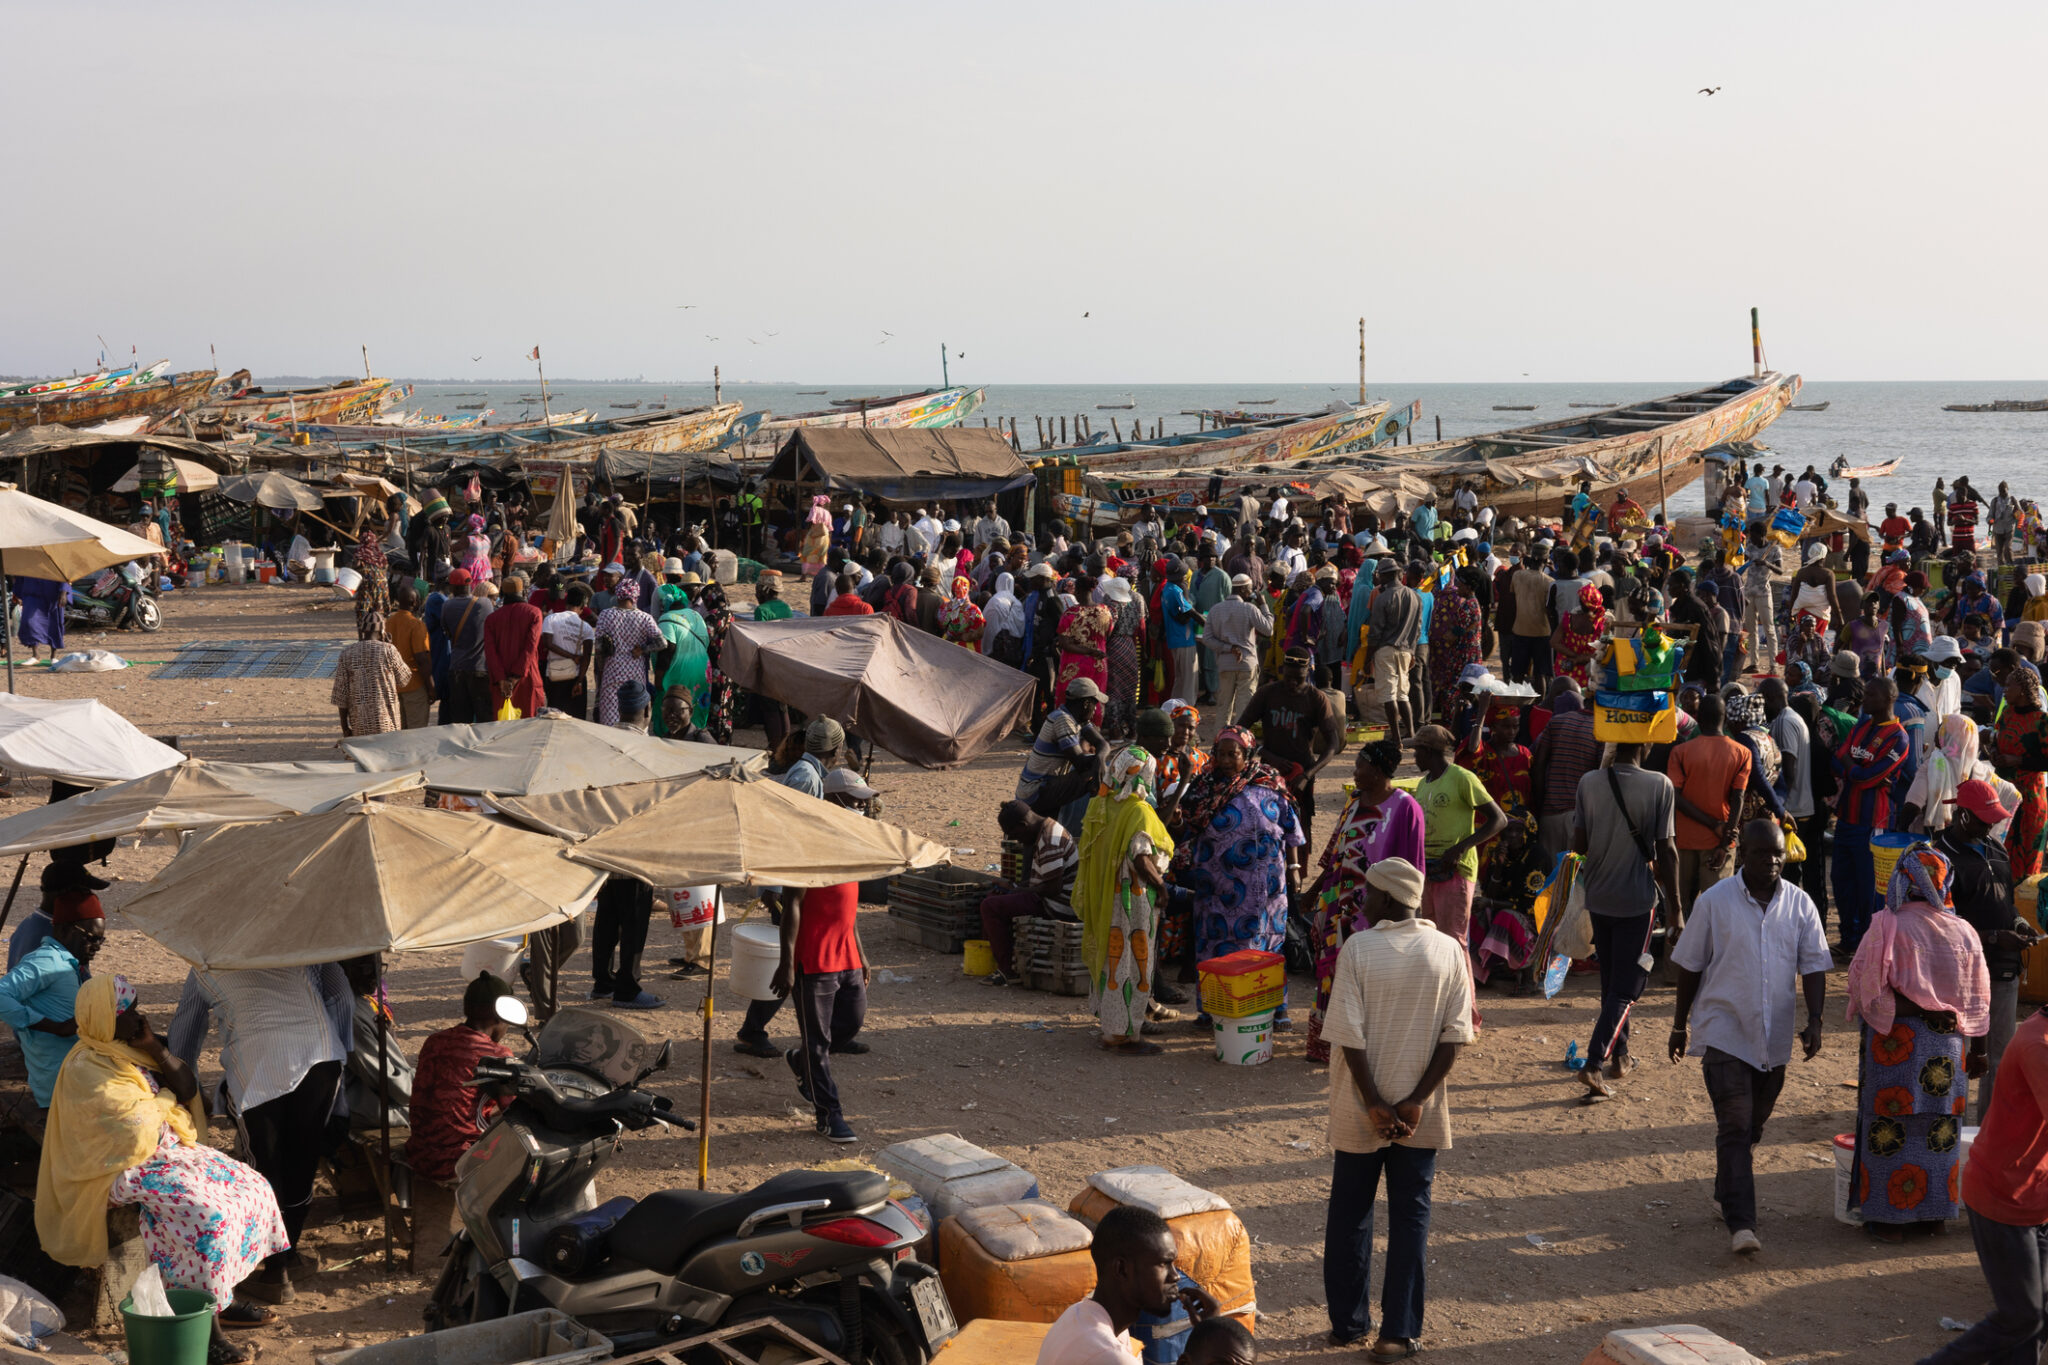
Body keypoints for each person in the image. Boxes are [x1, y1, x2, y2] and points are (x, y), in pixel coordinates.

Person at [38, 975, 287, 1362]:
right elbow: (131, 1132)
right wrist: (166, 1103)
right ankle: (207, 1332)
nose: (139, 1018)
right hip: (115, 1169)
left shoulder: (132, 1052)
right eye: (128, 1011)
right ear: (104, 1018)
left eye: (137, 1007)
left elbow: (188, 1089)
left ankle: (218, 1300)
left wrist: (155, 1047)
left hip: (164, 1152)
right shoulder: (86, 1066)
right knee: (205, 1214)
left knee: (252, 1187)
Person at [1320, 856, 1472, 1359]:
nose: (1364, 901)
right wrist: (1415, 1101)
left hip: (1361, 1112)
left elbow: (1348, 1036)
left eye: (1370, 893)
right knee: (1411, 1219)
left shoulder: (1360, 950)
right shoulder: (1450, 951)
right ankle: (1398, 1332)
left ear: (1387, 898)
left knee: (1350, 1217)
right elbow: (1455, 1037)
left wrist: (1374, 1103)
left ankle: (1348, 1325)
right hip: (1418, 1120)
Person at [1669, 819, 1832, 1255]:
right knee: (1736, 1123)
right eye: (1763, 854)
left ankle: (1728, 1184)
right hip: (1723, 1029)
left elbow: (1814, 964)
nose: (1773, 862)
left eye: (1779, 854)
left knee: (1752, 1126)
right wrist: (1679, 1023)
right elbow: (1690, 965)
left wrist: (1815, 1019)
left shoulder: (1800, 905)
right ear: (1744, 855)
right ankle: (1742, 1224)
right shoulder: (1714, 902)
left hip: (1773, 1038)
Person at [170, 963, 350, 1302]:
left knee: (264, 1168)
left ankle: (275, 1270)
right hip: (320, 1054)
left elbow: (187, 1026)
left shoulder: (204, 958)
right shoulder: (301, 939)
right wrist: (341, 1048)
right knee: (302, 1157)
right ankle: (288, 1255)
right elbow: (340, 995)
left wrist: (185, 1084)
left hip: (257, 1063)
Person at [1845, 845, 1990, 1238]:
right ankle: (1932, 1217)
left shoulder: (1886, 924)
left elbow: (1867, 992)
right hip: (1947, 1053)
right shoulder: (1963, 931)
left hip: (1895, 1046)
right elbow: (1977, 1000)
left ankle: (1887, 1220)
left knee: (1887, 1127)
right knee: (1939, 1129)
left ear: (1903, 880)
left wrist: (1920, 1009)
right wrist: (1979, 1051)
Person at [1922, 1003, 2048, 1365]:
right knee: (2021, 1317)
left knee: (2035, 1317)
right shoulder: (2037, 1044)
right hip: (2004, 1196)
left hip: (2035, 1193)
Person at [1304, 741, 1427, 1064]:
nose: (1354, 772)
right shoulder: (1354, 802)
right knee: (1332, 971)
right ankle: (1328, 1045)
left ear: (1377, 769)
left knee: (1370, 978)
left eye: (1358, 766)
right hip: (1338, 906)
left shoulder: (1405, 807)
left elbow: (1412, 869)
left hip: (1377, 910)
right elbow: (1336, 855)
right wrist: (1313, 893)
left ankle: (1364, 1048)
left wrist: (1408, 918)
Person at [1169, 727, 1303, 1020]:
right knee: (1215, 949)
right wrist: (1179, 822)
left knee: (1267, 947)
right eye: (1222, 754)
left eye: (1234, 754)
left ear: (1248, 755)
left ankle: (1273, 1010)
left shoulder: (1270, 784)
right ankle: (1214, 1011)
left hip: (1266, 888)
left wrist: (1294, 867)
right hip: (1218, 889)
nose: (1227, 760)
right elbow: (1184, 834)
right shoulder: (1204, 788)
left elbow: (1291, 828)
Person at [1573, 741, 1679, 1100]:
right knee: (1627, 988)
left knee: (1611, 983)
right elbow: (1667, 850)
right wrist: (1677, 908)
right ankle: (1593, 1062)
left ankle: (1620, 1056)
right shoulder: (1659, 784)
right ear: (1646, 742)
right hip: (1636, 900)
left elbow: (1580, 844)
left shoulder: (1589, 781)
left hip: (1599, 897)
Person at [1075, 747, 1174, 1056]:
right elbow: (1141, 858)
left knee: (1109, 957)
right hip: (1132, 900)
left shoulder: (1099, 806)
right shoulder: (1138, 811)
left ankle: (1112, 1024)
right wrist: (1162, 886)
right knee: (1130, 964)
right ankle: (1122, 1035)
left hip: (1104, 896)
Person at [1410, 725, 1509, 1006]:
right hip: (1429, 870)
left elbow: (1498, 819)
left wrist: (1461, 847)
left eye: (1417, 751)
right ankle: (1440, 1008)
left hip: (1456, 871)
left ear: (1428, 752)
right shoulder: (1423, 784)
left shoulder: (1462, 778)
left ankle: (1466, 1014)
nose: (1414, 757)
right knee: (1431, 940)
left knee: (1453, 942)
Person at [1036, 1206, 1206, 1365]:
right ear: (1122, 1269)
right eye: (1163, 1264)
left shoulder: (1077, 1314)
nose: (1175, 1276)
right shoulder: (1110, 1355)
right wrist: (1210, 1335)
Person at [772, 872, 869, 1144]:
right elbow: (790, 905)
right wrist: (787, 963)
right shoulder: (806, 857)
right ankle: (828, 1116)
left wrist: (860, 955)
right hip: (813, 959)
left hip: (847, 956)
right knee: (817, 1042)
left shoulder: (850, 858)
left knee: (852, 1021)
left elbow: (850, 911)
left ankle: (800, 1061)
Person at [1237, 647, 1347, 877]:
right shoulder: (1267, 693)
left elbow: (1333, 744)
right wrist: (1264, 751)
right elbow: (1241, 729)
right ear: (1281, 671)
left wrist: (1308, 775)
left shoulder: (1316, 698)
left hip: (1300, 775)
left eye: (1298, 679)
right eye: (1288, 677)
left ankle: (1296, 879)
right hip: (1269, 771)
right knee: (1266, 823)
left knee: (1299, 825)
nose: (1292, 683)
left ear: (1308, 673)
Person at [406, 972, 517, 1186]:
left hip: (419, 1155)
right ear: (500, 1015)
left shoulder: (434, 1041)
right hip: (459, 1163)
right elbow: (514, 1113)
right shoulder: (496, 1055)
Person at [1667, 694, 1752, 971]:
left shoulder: (1680, 752)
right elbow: (1738, 799)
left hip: (1682, 840)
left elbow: (1676, 798)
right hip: (1719, 843)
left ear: (1697, 719)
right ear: (1724, 718)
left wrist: (1710, 825)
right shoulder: (1742, 753)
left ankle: (1676, 969)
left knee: (1678, 905)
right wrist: (1725, 837)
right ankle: (1717, 968)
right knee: (1719, 910)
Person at [0, 889, 104, 1106]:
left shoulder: (71, 964)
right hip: (60, 1088)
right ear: (64, 930)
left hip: (77, 1078)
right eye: (91, 938)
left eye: (101, 941)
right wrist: (52, 1026)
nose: (96, 947)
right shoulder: (47, 962)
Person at [1835, 677, 1915, 953]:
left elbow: (1867, 777)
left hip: (1873, 824)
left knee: (1869, 890)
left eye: (1870, 695)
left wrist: (1854, 767)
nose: (1864, 699)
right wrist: (1854, 767)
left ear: (1888, 698)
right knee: (1842, 883)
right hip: (1847, 817)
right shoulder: (1862, 725)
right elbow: (1842, 755)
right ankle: (1848, 941)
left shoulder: (1898, 737)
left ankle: (1869, 947)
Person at [979, 801, 1080, 987]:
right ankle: (1003, 961)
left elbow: (1051, 888)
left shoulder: (1050, 840)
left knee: (990, 907)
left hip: (1058, 905)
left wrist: (1017, 890)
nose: (1018, 841)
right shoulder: (1046, 830)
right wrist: (1013, 887)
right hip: (1049, 897)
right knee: (993, 897)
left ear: (1023, 826)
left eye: (1016, 835)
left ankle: (1008, 971)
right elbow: (1042, 881)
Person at [1527, 685, 1602, 866]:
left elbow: (1537, 766)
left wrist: (1541, 804)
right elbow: (1600, 776)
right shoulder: (1602, 731)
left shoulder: (1557, 721)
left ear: (1585, 702)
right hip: (1579, 819)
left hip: (1550, 814)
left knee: (1547, 882)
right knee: (1574, 881)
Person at [1018, 679, 1108, 818]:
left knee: (1098, 764)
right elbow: (1081, 763)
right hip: (1035, 791)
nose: (1096, 709)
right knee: (1091, 773)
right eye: (1094, 703)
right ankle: (1095, 814)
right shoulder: (1062, 719)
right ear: (1086, 704)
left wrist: (1101, 758)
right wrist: (1101, 763)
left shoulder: (1076, 718)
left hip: (1044, 786)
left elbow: (1103, 743)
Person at [1993, 667, 2048, 882]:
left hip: (2030, 797)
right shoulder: (2007, 714)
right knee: (2001, 848)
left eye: (2009, 686)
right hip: (2004, 793)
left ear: (2023, 690)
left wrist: (2018, 761)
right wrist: (1995, 753)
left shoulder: (2041, 721)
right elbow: (1998, 740)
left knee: (2027, 854)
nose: (2004, 690)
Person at [1206, 573, 1273, 732]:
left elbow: (1208, 639)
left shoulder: (1215, 610)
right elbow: (1268, 629)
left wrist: (1228, 648)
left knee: (1223, 706)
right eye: (1249, 589)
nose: (1251, 593)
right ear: (1243, 590)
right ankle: (1239, 741)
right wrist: (1263, 605)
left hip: (1225, 664)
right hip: (1246, 664)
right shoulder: (1249, 609)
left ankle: (1220, 741)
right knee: (1244, 707)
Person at [592, 578, 662, 727]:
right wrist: (643, 649)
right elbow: (662, 642)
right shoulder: (645, 618)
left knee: (611, 721)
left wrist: (601, 673)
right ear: (636, 596)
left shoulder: (606, 615)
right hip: (636, 676)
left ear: (618, 595)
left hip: (612, 674)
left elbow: (598, 649)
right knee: (634, 720)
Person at [1366, 562, 1421, 746]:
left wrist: (1368, 659)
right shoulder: (1415, 596)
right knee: (1402, 694)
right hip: (1406, 650)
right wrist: (1411, 651)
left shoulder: (1382, 598)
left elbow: (1374, 633)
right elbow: (1417, 629)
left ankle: (1396, 738)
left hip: (1385, 650)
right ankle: (1411, 734)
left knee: (1389, 695)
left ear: (1386, 576)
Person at [482, 572, 546, 718]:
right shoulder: (534, 613)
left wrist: (502, 679)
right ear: (523, 591)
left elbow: (490, 652)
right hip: (527, 678)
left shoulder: (492, 619)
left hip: (501, 684)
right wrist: (516, 676)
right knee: (528, 725)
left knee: (503, 728)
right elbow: (530, 648)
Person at [438, 569, 494, 724]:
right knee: (485, 719)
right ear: (470, 585)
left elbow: (447, 632)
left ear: (453, 588)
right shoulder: (485, 603)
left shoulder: (447, 606)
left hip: (457, 669)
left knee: (461, 720)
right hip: (480, 669)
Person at [386, 585, 435, 729]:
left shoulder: (388, 622)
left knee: (399, 731)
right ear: (414, 602)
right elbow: (421, 659)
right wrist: (431, 687)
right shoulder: (416, 625)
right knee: (416, 732)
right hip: (414, 685)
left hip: (393, 685)